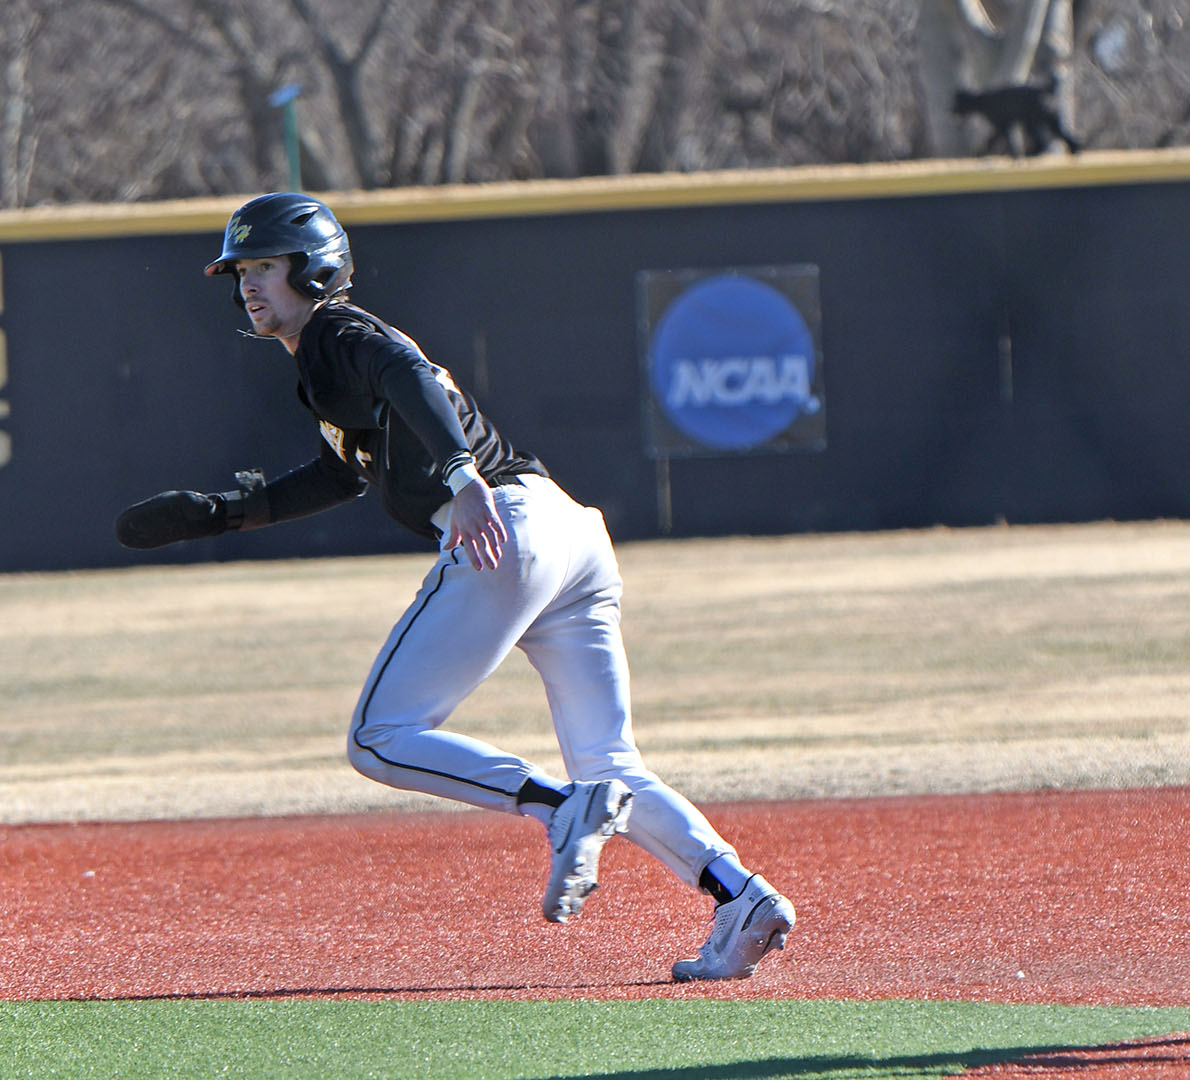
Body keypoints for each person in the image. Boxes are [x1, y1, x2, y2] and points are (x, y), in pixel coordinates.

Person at [113, 193, 794, 982]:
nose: (249, 286)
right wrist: (223, 514)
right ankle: (739, 896)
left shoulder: (337, 329)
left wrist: (461, 475)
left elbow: (406, 373)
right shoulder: (325, 358)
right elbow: (343, 473)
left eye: (265, 266)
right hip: (569, 533)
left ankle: (556, 807)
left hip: (501, 525)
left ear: (314, 267)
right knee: (609, 761)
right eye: (240, 272)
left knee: (378, 736)